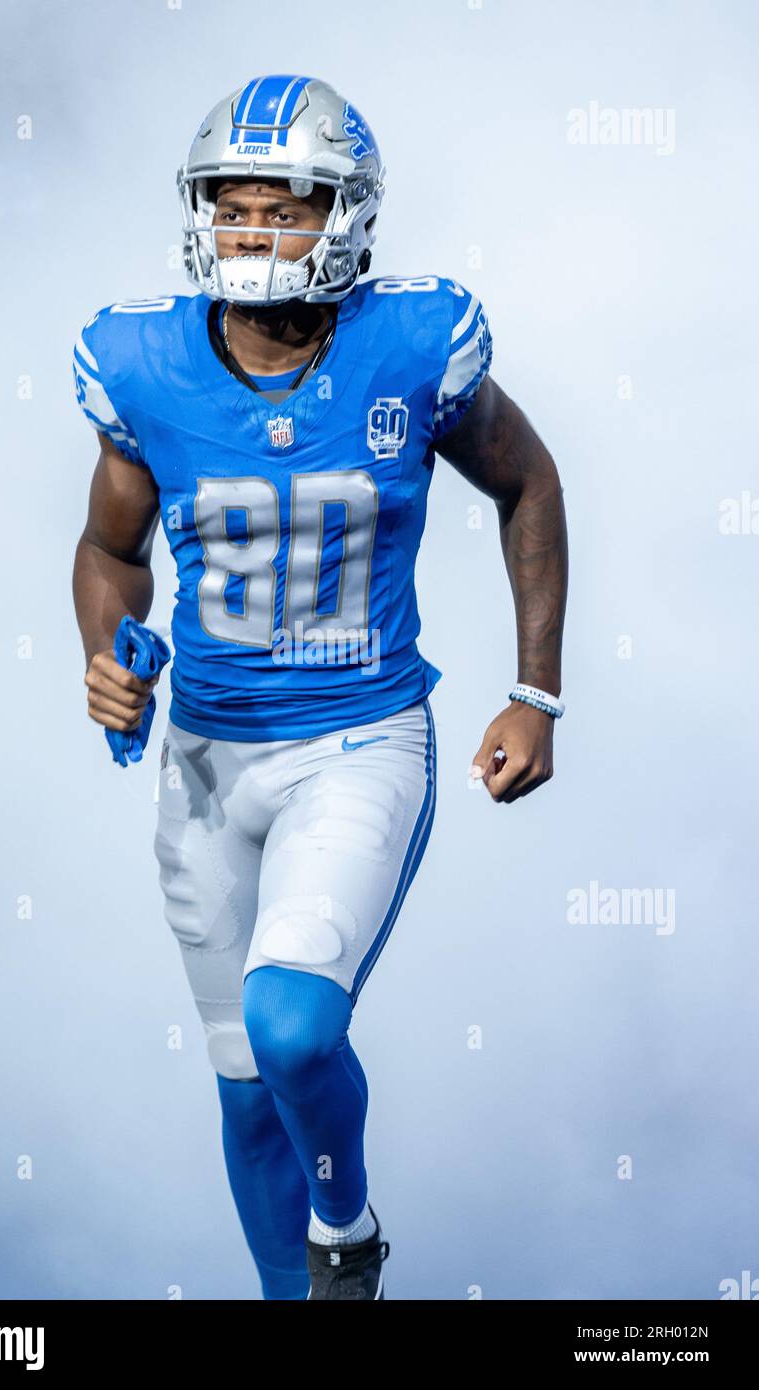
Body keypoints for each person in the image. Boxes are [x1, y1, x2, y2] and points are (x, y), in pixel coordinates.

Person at [72, 74, 568, 1300]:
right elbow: (110, 552)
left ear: (342, 219)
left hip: (358, 740)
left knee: (295, 1025)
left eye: (281, 207)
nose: (252, 232)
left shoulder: (409, 345)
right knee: (246, 1090)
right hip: (204, 762)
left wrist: (534, 692)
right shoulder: (139, 363)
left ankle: (344, 1239)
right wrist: (112, 646)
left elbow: (526, 483)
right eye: (229, 207)